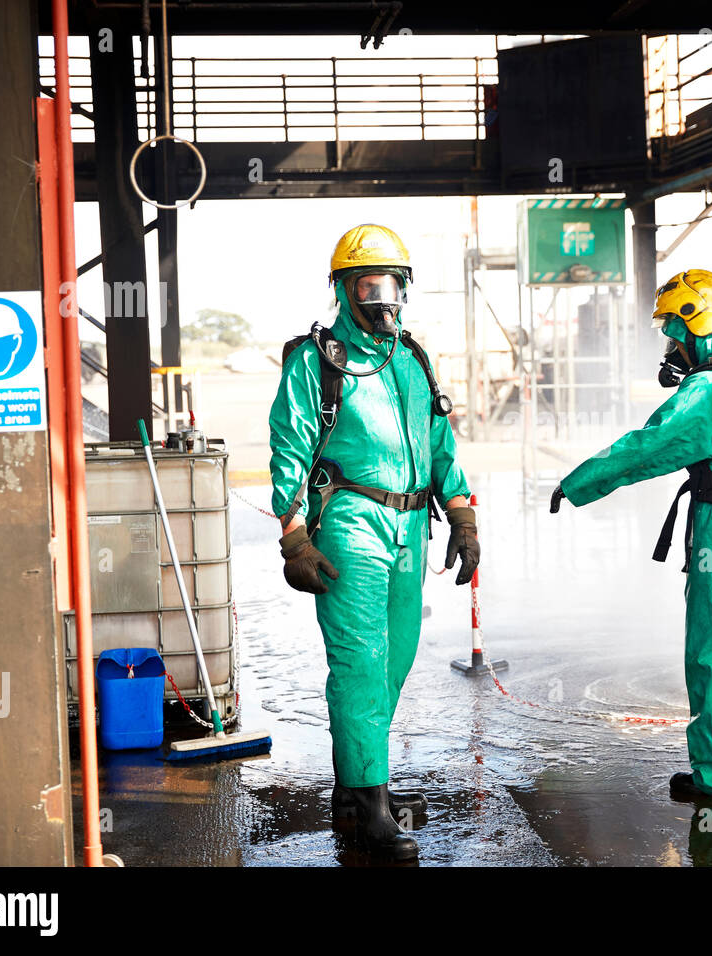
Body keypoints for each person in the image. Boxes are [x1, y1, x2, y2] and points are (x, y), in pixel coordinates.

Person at [550, 268, 712, 802]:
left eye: (672, 327)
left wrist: (578, 483)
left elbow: (649, 447)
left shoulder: (710, 389)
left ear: (695, 321)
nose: (669, 341)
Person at [269, 223, 476, 861]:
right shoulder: (316, 362)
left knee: (397, 657)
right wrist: (295, 536)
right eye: (369, 285)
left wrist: (462, 512)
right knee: (361, 662)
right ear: (343, 290)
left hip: (413, 524)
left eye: (392, 283)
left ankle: (355, 782)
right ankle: (371, 806)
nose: (382, 298)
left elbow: (439, 442)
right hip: (351, 521)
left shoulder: (413, 358)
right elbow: (289, 447)